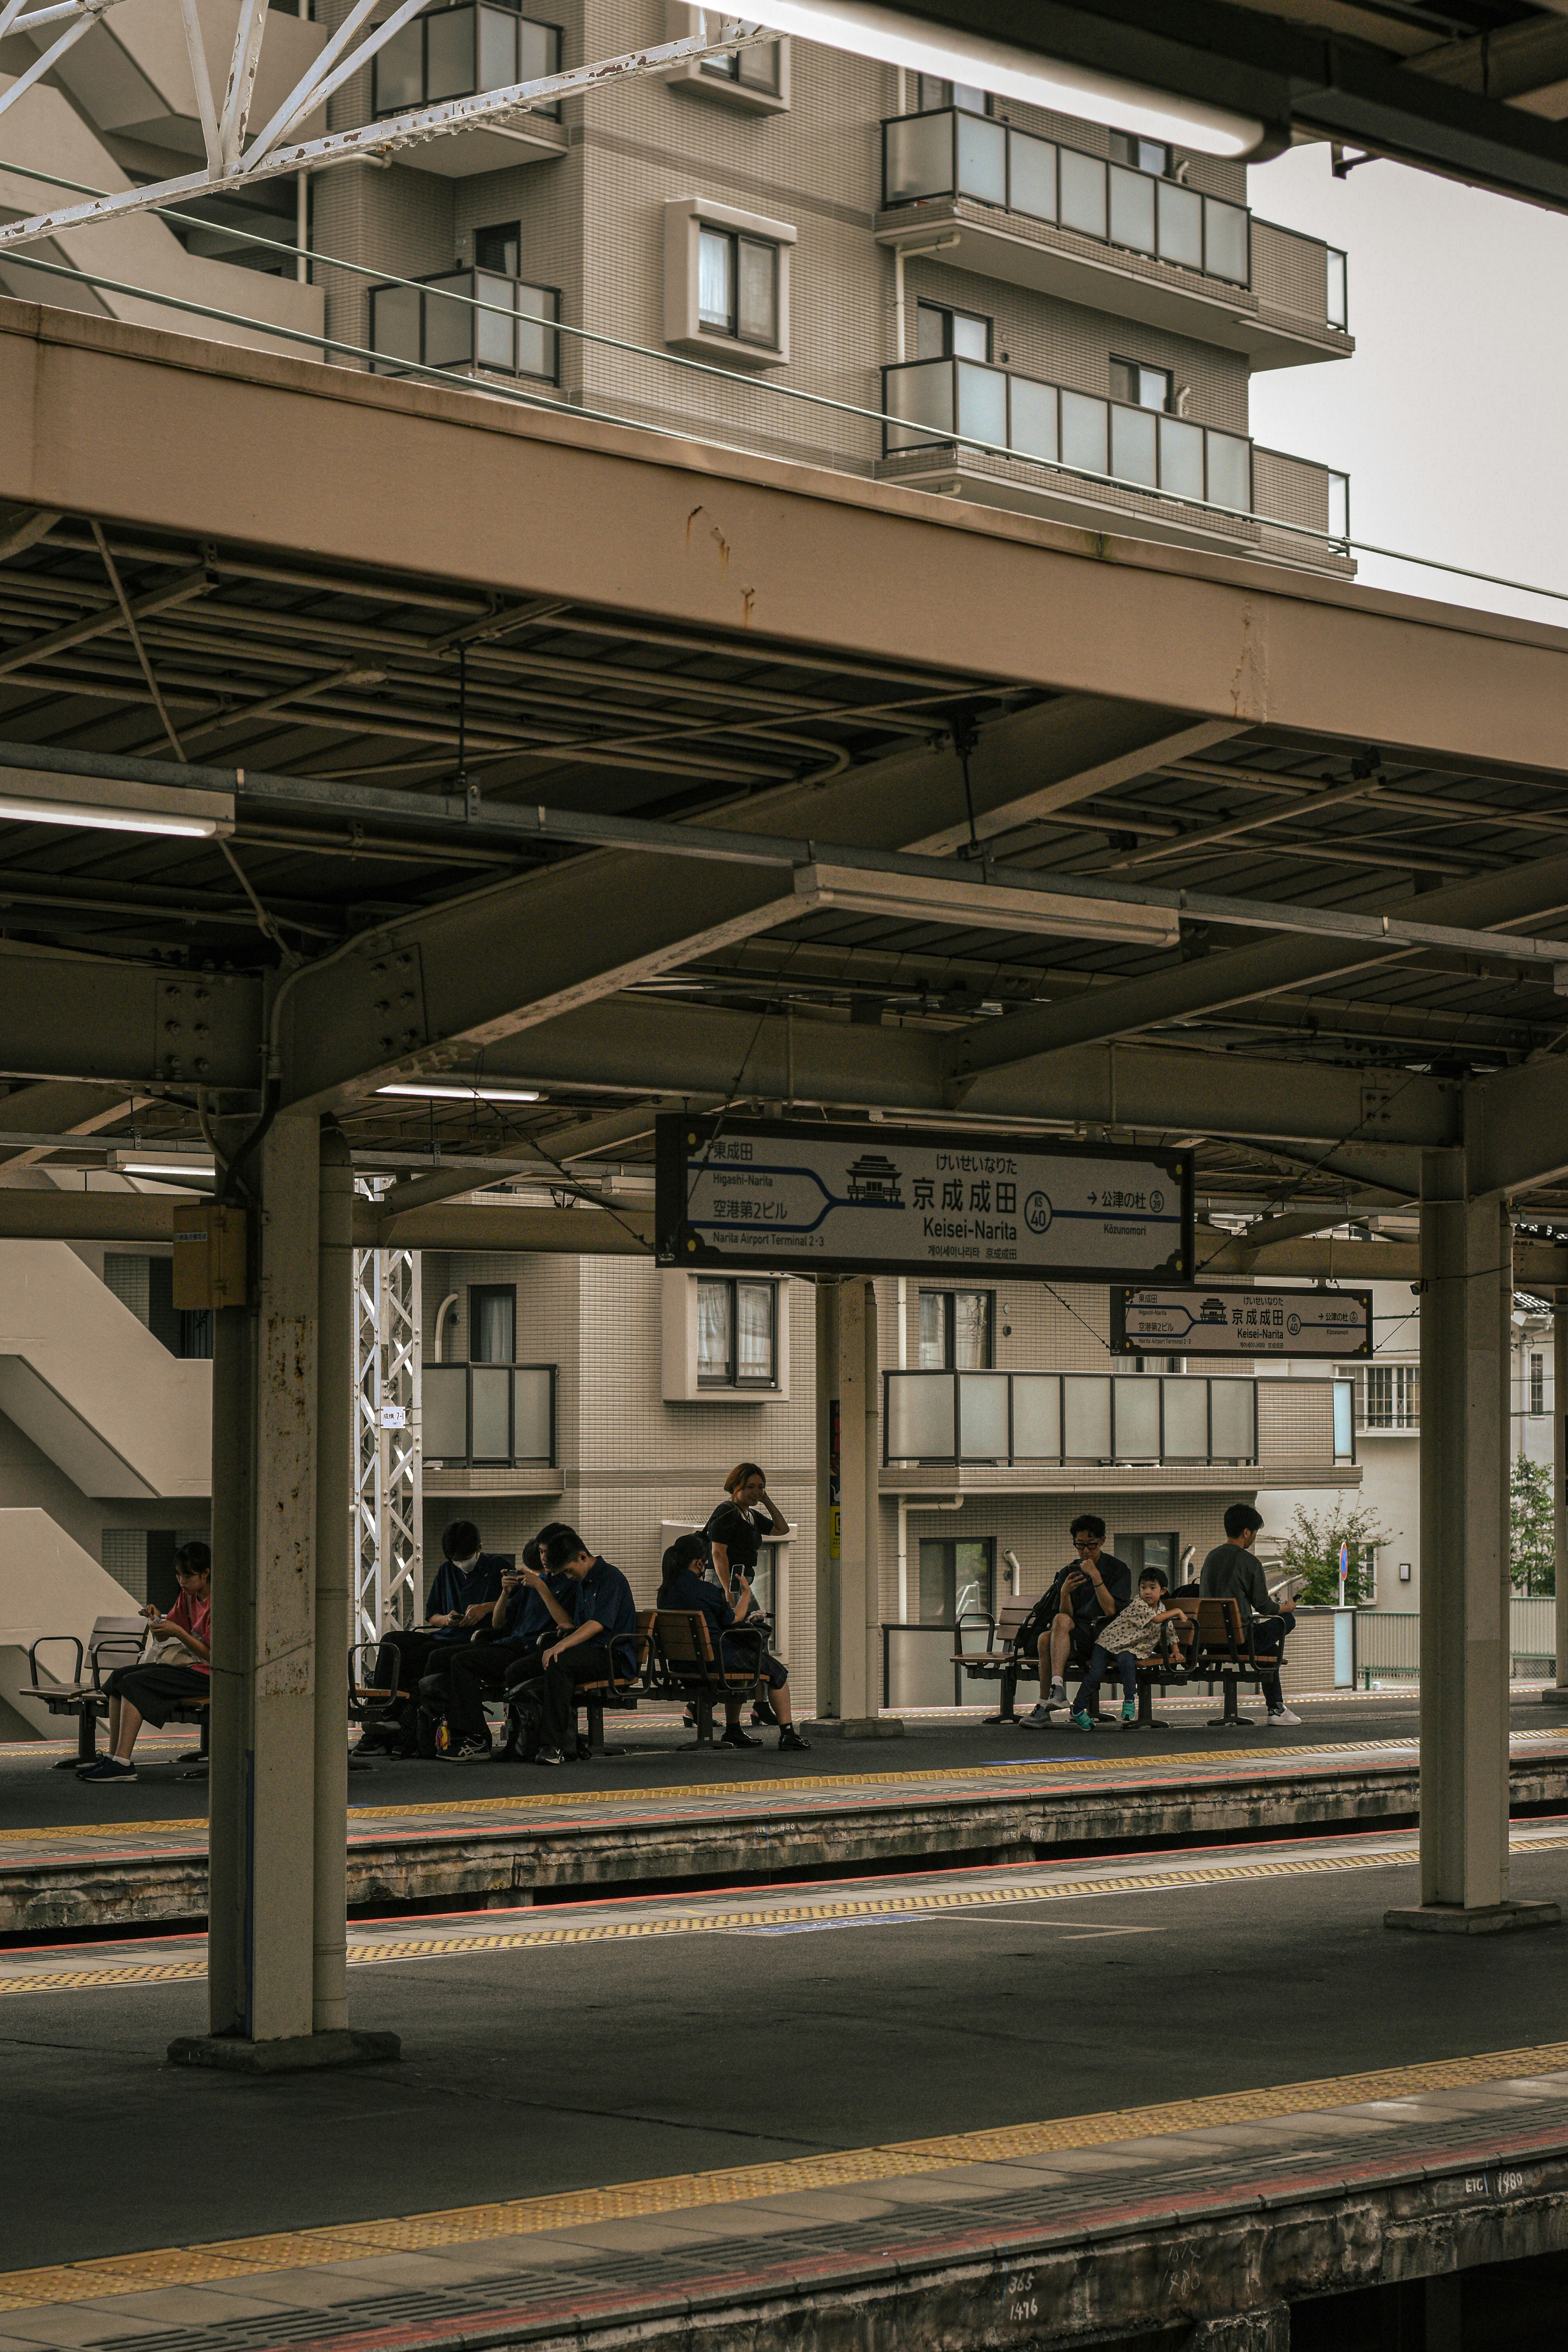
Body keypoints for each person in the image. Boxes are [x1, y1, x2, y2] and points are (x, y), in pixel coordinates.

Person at [358, 1520, 507, 1757]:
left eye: (465, 1558)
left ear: (479, 1548)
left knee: (428, 1656)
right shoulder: (446, 1571)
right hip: (447, 1635)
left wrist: (485, 1609)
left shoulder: (498, 1566)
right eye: (455, 1559)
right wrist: (447, 1620)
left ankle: (411, 1724)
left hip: (477, 1640)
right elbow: (432, 1616)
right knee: (392, 1642)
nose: (460, 1564)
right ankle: (382, 1718)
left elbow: (513, 1601)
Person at [657, 1533, 810, 1752]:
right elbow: (734, 1619)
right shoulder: (708, 1591)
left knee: (741, 1666)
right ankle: (788, 1734)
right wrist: (746, 1593)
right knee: (778, 1673)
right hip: (714, 1661)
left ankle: (734, 1730)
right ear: (699, 1563)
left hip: (682, 1665)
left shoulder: (665, 1593)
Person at [79, 1542, 211, 1783]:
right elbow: (165, 1633)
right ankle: (113, 1757)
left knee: (135, 1683)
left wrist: (179, 1633)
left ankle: (123, 1762)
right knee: (119, 1677)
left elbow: (216, 1656)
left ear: (206, 1573)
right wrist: (156, 1620)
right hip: (191, 1668)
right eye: (178, 1574)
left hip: (210, 1674)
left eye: (188, 1575)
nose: (182, 1581)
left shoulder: (219, 1603)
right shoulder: (188, 1596)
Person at [441, 1523, 572, 1763]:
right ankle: (473, 1734)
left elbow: (566, 1623)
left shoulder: (567, 1585)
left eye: (546, 1553)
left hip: (533, 1647)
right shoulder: (532, 1585)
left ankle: (479, 1738)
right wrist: (505, 1593)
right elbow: (498, 1623)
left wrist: (541, 1587)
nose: (543, 1559)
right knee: (459, 1659)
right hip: (513, 1643)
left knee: (470, 1663)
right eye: (541, 1553)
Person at [512, 1527, 639, 1767]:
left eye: (568, 1571)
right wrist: (567, 1634)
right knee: (519, 1670)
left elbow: (597, 1624)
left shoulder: (609, 1578)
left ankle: (554, 1743)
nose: (568, 1577)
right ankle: (524, 1739)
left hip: (614, 1656)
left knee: (559, 1663)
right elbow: (575, 1623)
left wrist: (562, 1645)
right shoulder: (583, 1581)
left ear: (583, 1557)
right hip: (589, 1651)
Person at [1017, 1515, 1132, 1726]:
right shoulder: (1069, 1571)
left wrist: (1097, 1577)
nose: (1085, 1551)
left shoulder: (1118, 1570)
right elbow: (1065, 1616)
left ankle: (1045, 1705)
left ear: (1103, 1541)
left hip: (1104, 1638)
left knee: (1047, 1638)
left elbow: (1111, 1610)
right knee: (1046, 1637)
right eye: (1080, 1545)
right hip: (1076, 1635)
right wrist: (1065, 1594)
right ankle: (1054, 1693)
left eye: (1091, 1545)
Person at [703, 1462, 789, 1726]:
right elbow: (718, 1554)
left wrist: (767, 1501)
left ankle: (759, 1704)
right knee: (750, 1635)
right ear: (736, 1486)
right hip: (728, 1585)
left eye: (761, 1487)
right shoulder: (727, 1513)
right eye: (750, 1487)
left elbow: (781, 1529)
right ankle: (758, 1704)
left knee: (755, 1636)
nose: (756, 1492)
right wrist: (730, 1593)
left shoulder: (748, 1515)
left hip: (741, 1586)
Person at [1200, 1503, 1301, 1726]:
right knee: (1287, 1621)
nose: (1254, 1537)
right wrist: (1287, 1607)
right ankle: (1276, 1711)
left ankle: (1277, 1708)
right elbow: (1266, 1608)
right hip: (1240, 1641)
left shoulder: (1210, 1559)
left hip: (1211, 1641)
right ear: (1247, 1532)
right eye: (1255, 1533)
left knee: (1270, 1651)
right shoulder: (1249, 1562)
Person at [1069, 1570, 1192, 1731]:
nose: (1147, 1592)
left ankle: (1129, 1701)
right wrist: (1177, 1611)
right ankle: (1078, 1708)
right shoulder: (1139, 1605)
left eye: (1152, 1588)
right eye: (1143, 1588)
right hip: (1107, 1643)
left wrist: (1176, 1651)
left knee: (1127, 1664)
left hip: (1128, 1648)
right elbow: (1157, 1620)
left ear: (1162, 1591)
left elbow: (1168, 1630)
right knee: (1095, 1675)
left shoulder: (1161, 1608)